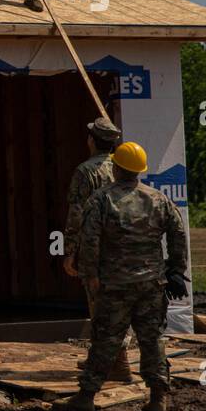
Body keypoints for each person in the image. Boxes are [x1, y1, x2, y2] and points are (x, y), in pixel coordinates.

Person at [57, 142, 189, 411]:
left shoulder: (102, 199)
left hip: (114, 284)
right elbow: (178, 233)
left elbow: (90, 239)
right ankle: (157, 398)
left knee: (106, 339)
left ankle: (86, 397)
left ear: (116, 168)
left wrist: (90, 275)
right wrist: (176, 269)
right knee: (152, 340)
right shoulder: (157, 198)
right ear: (139, 170)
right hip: (152, 284)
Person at [63, 117, 132, 382]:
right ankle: (114, 358)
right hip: (124, 247)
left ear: (91, 140)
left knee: (99, 304)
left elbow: (76, 214)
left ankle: (116, 362)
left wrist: (70, 251)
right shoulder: (122, 168)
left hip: (96, 247)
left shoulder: (85, 172)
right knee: (121, 304)